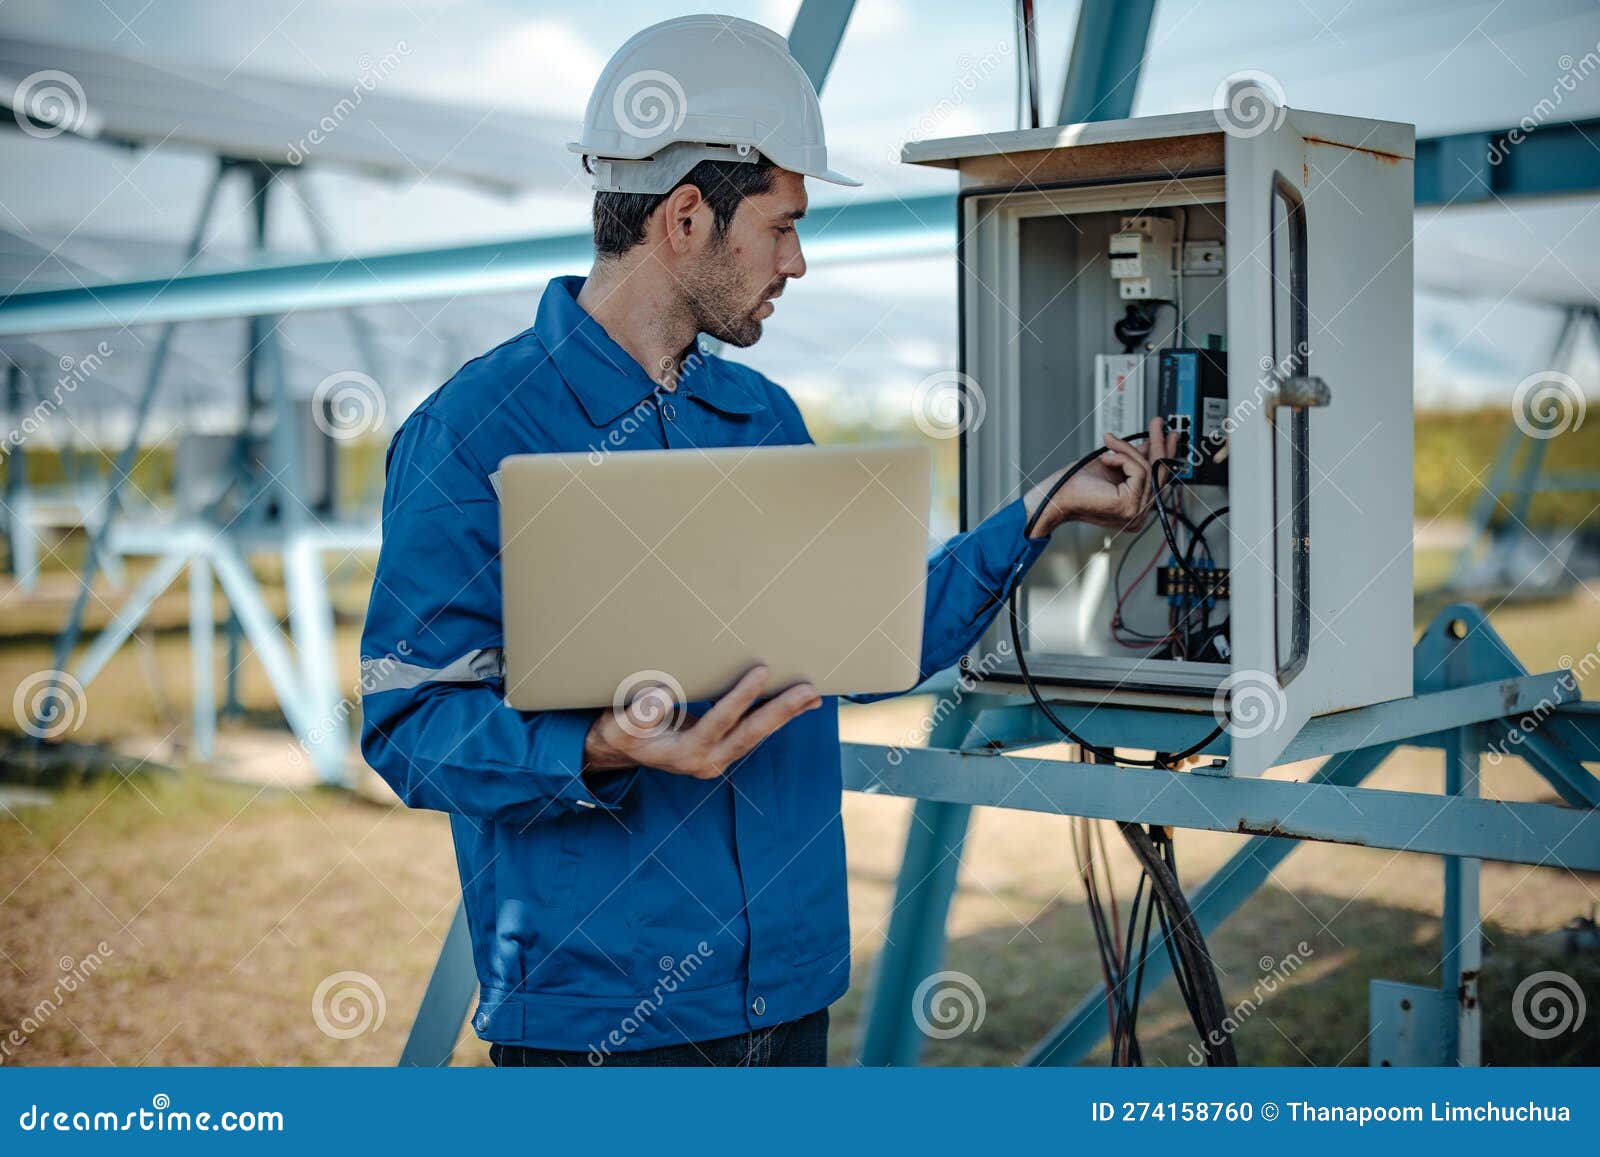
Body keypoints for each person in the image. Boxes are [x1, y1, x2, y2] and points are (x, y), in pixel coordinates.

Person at [359, 14, 1174, 1068]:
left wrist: (1038, 512)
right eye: (781, 226)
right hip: (598, 1013)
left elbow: (864, 636)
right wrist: (602, 744)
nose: (796, 260)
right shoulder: (471, 431)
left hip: (789, 985)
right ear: (687, 216)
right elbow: (410, 720)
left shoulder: (762, 417)